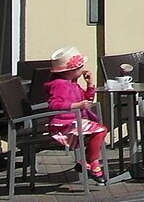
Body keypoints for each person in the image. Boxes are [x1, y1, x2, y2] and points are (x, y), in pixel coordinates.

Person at [42, 48, 109, 183]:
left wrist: (90, 85)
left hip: (75, 121)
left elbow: (86, 99)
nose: (83, 69)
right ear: (71, 70)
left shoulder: (72, 84)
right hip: (64, 124)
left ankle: (88, 163)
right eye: (80, 67)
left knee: (101, 130)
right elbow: (54, 105)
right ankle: (92, 164)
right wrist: (76, 106)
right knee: (100, 130)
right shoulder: (59, 85)